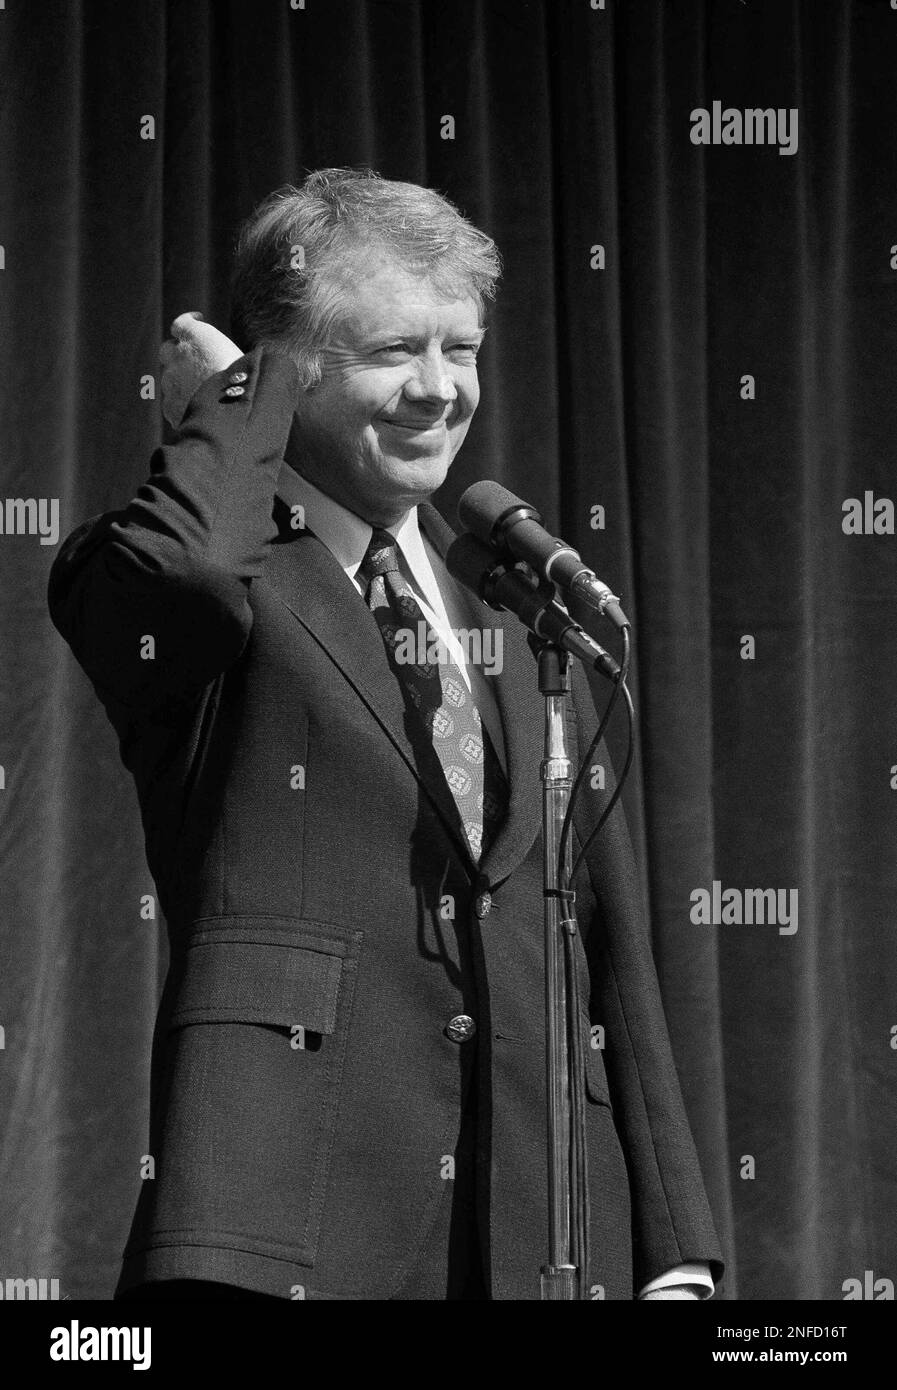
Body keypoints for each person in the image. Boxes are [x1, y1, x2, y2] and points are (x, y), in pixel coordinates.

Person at [48, 168, 723, 1301]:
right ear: (282, 360)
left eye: (461, 350)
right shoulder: (197, 578)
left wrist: (675, 1251)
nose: (440, 390)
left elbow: (602, 949)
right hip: (287, 1229)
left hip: (543, 1245)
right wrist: (234, 399)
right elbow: (192, 569)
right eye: (392, 351)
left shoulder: (512, 612)